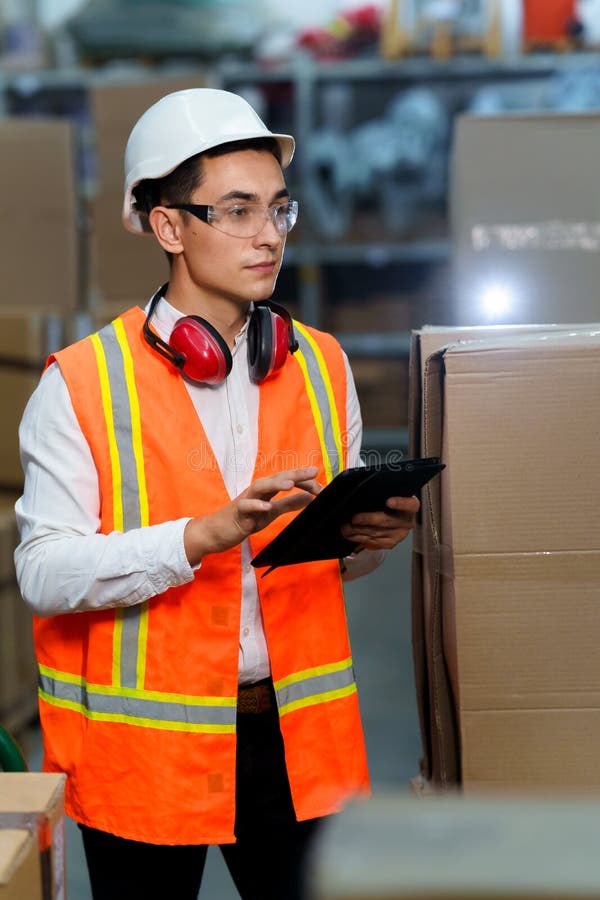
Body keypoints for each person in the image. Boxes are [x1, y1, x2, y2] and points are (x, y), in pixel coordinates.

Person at [15, 88, 419, 900]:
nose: (268, 234)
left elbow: (321, 570)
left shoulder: (320, 364)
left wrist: (362, 539)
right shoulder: (83, 385)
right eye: (236, 211)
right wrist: (198, 536)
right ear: (169, 226)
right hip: (145, 756)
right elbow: (43, 572)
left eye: (278, 208)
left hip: (297, 744)